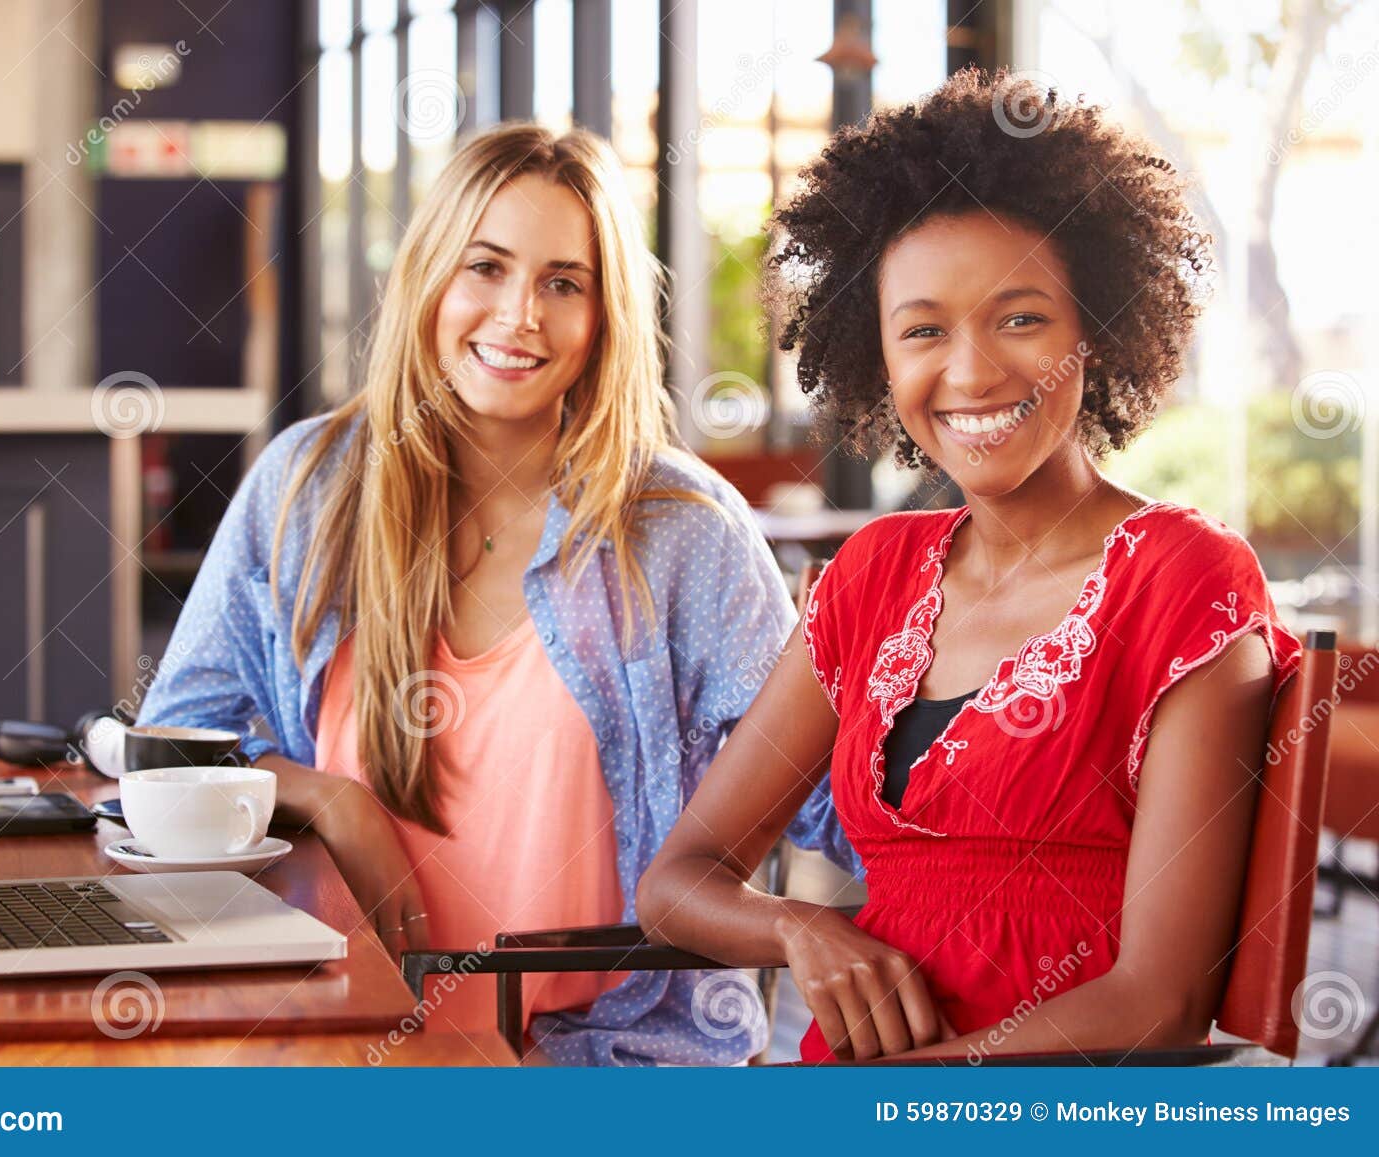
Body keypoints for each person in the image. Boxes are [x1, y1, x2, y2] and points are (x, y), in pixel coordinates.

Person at [136, 123, 853, 1065]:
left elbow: (837, 803)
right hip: (343, 1042)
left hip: (602, 1063)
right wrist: (331, 803)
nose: (520, 316)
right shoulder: (310, 483)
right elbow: (167, 752)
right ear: (431, 276)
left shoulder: (680, 529)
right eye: (486, 267)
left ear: (604, 318)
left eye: (564, 283)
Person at [636, 70, 1300, 1063]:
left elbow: (1157, 1003)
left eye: (1021, 317)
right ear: (878, 356)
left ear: (1096, 331)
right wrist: (799, 927)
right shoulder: (873, 576)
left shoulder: (1184, 580)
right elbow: (676, 879)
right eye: (923, 330)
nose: (972, 370)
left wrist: (904, 1089)